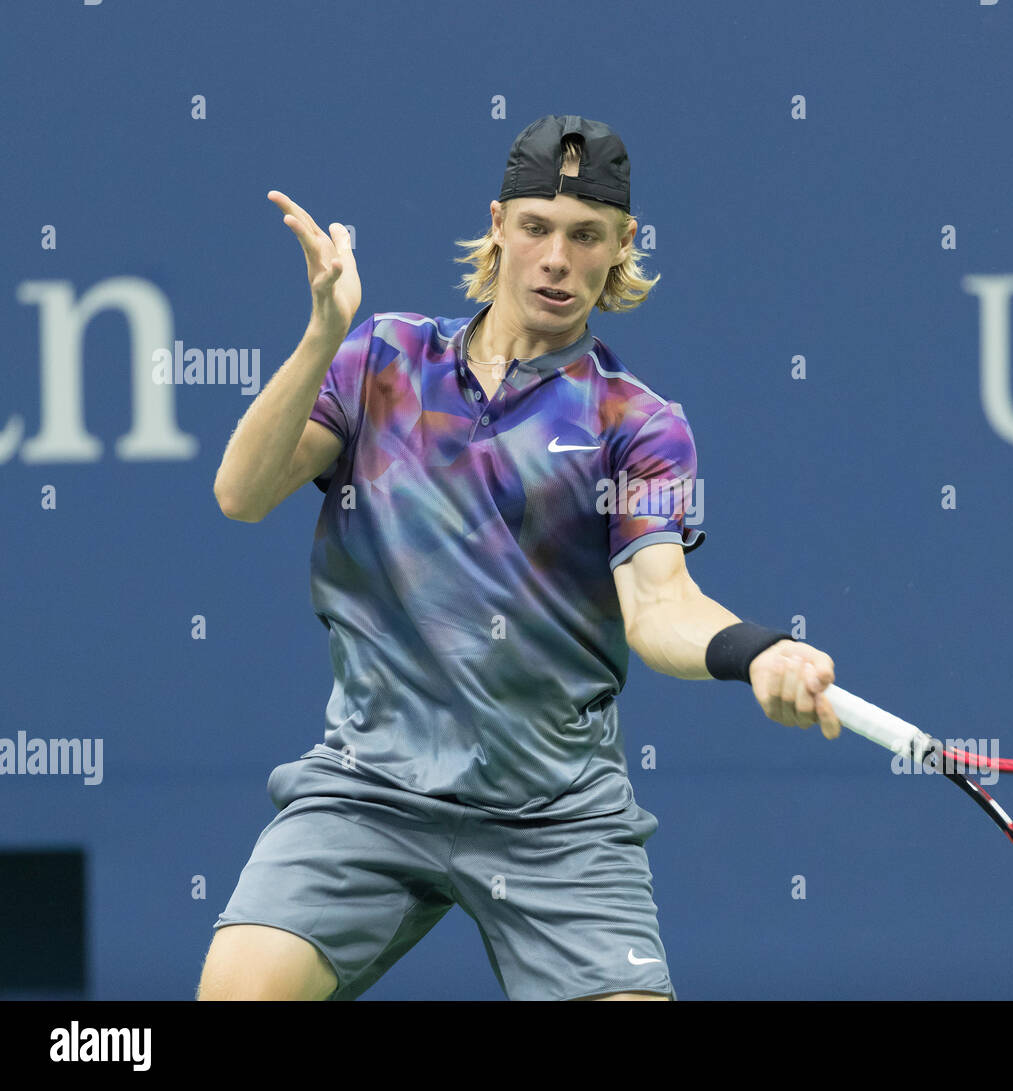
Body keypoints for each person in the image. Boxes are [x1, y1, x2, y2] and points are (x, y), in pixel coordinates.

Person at [197, 115, 841, 1001]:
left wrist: (759, 649)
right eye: (536, 227)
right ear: (498, 226)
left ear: (622, 248)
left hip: (557, 817)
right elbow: (242, 493)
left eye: (585, 237)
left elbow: (660, 610)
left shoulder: (639, 426)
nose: (555, 258)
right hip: (369, 788)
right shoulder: (381, 358)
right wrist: (322, 333)